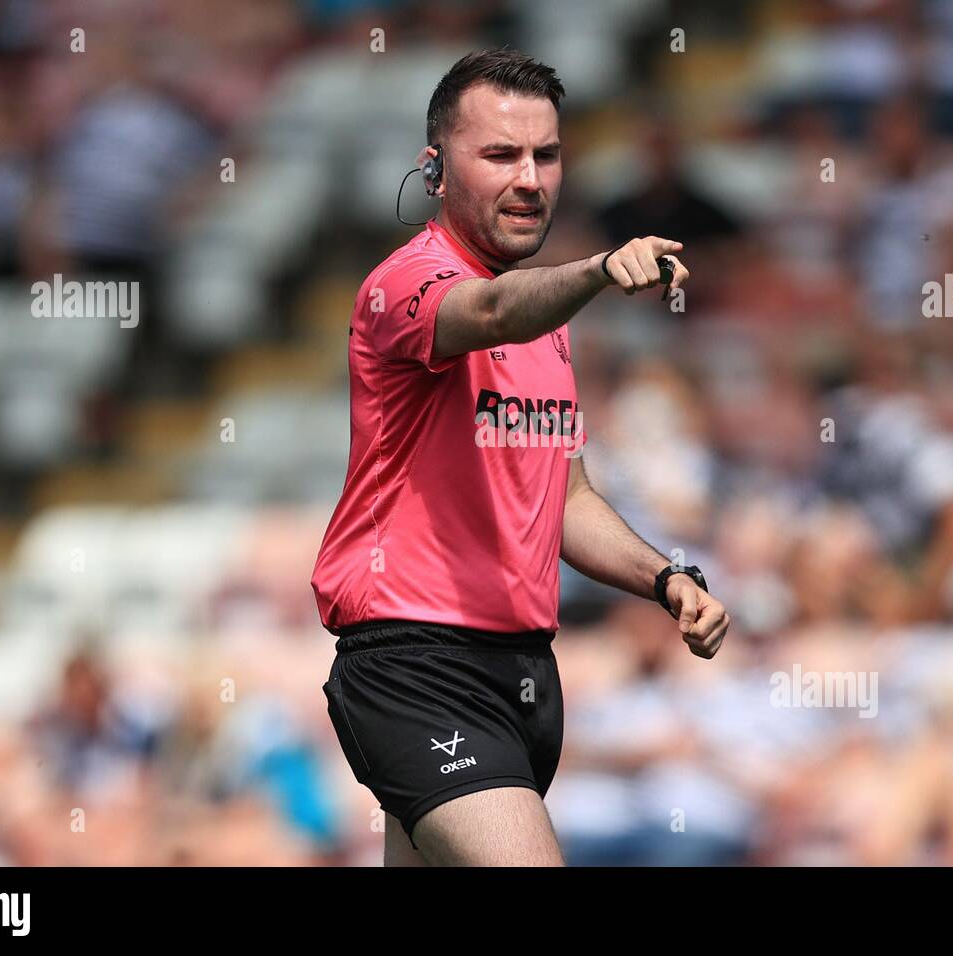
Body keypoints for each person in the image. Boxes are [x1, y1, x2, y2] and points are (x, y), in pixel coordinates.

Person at [310, 48, 730, 866]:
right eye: (500, 154)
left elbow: (566, 502)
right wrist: (603, 267)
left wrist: (668, 578)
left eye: (547, 154)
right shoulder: (406, 284)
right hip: (416, 667)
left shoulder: (549, 330)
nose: (530, 178)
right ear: (436, 168)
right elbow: (494, 308)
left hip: (525, 676)